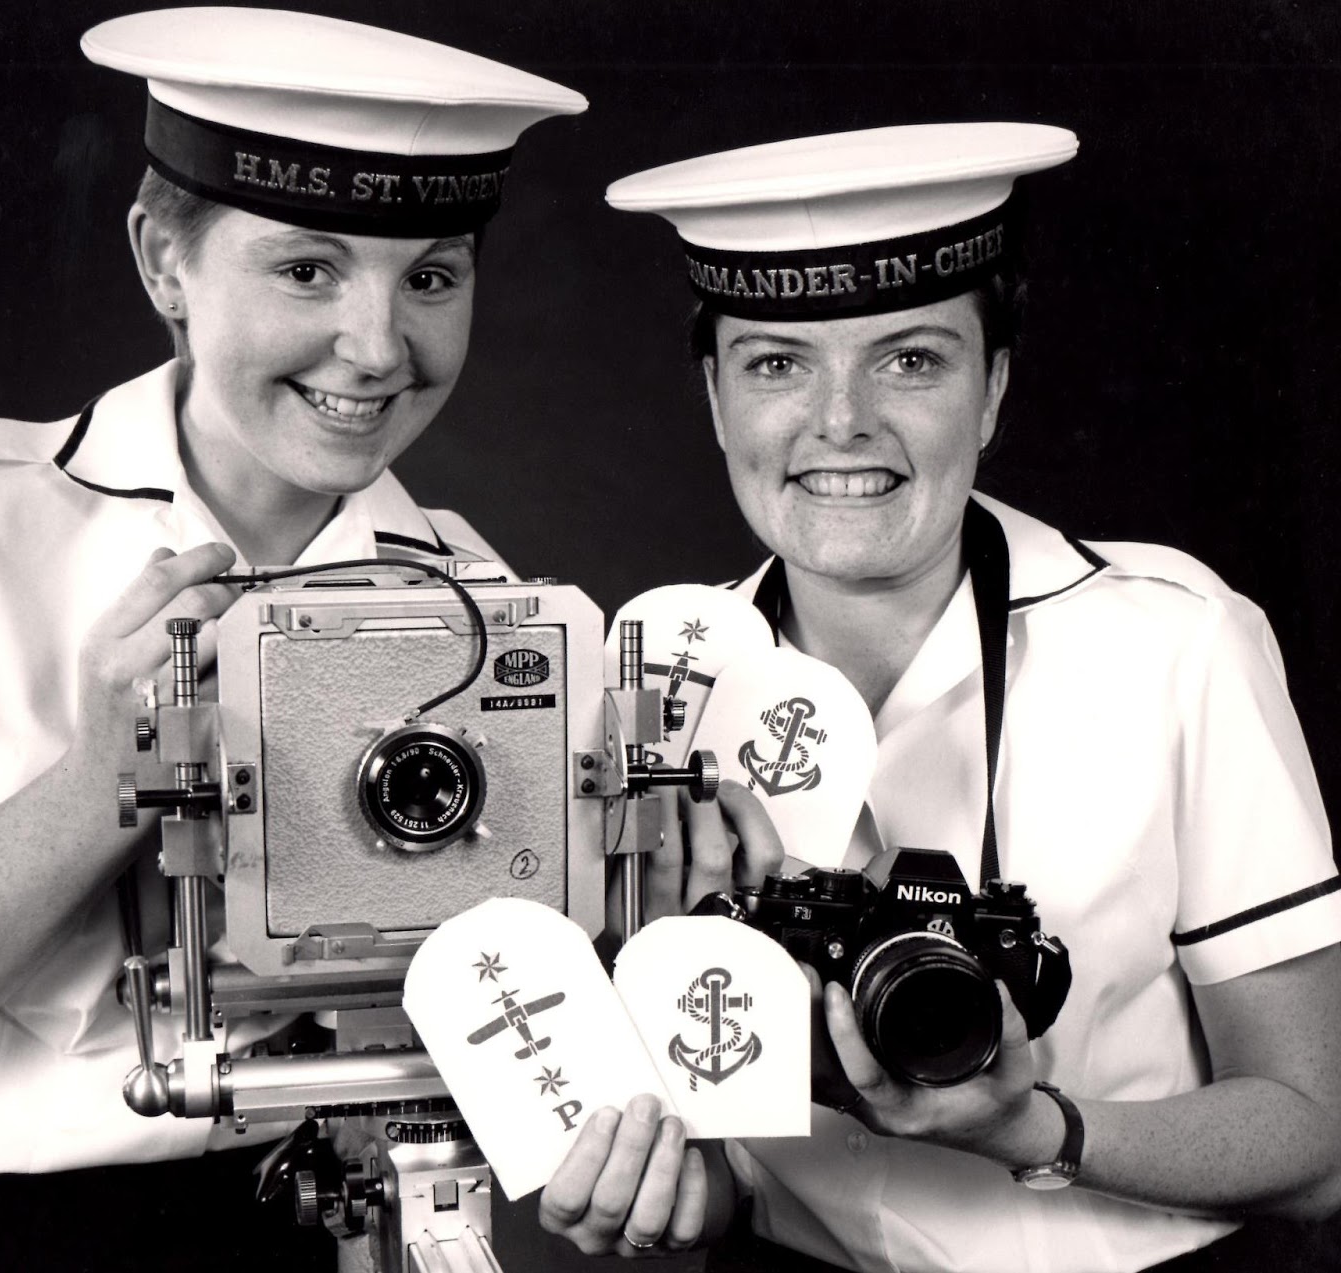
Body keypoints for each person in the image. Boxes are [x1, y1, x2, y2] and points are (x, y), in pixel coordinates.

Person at [0, 9, 584, 1270]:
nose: (377, 346)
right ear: (163, 263)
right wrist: (102, 784)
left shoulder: (478, 602)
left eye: (432, 274)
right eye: (307, 269)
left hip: (286, 1235)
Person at [537, 124, 1341, 1272]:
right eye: (777, 361)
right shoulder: (652, 688)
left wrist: (1030, 1127)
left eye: (909, 358)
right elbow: (716, 1165)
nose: (841, 420)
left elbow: (1319, 1143)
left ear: (993, 387)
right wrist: (652, 1189)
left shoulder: (1173, 641)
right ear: (716, 400)